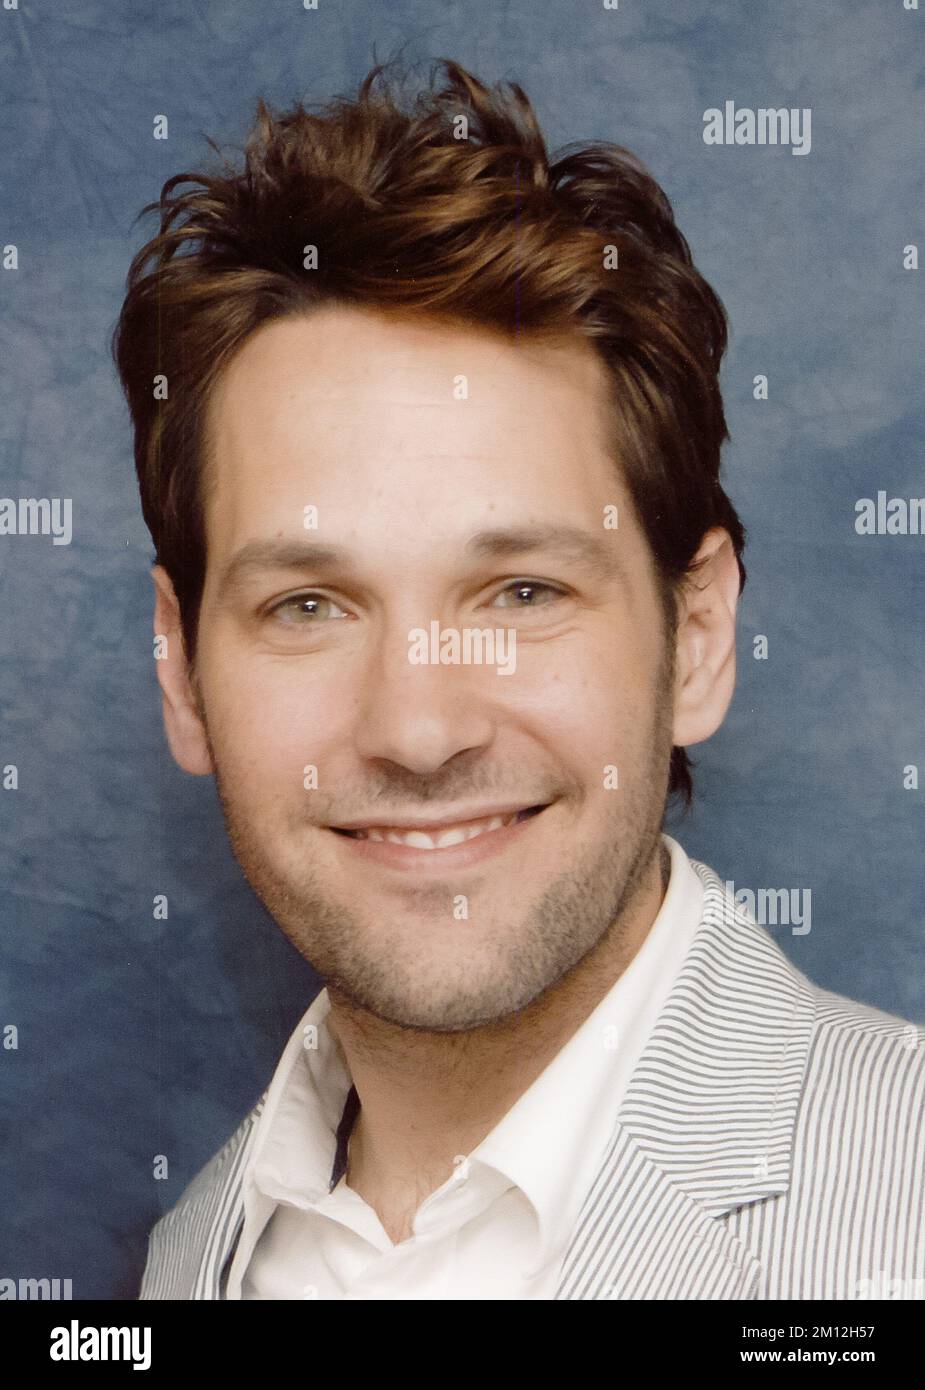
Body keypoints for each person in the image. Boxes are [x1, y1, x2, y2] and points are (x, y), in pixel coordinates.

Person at [112, 59, 924, 1300]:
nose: (419, 726)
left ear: (696, 637)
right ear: (182, 672)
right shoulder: (193, 1260)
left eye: (522, 593)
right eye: (309, 605)